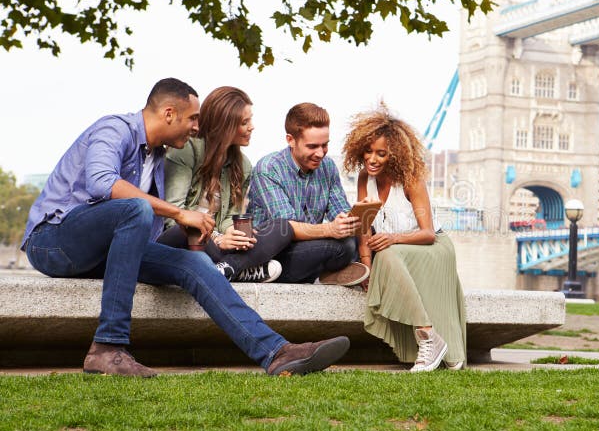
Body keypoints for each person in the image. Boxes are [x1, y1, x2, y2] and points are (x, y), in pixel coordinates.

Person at [22, 78, 350, 377]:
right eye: (193, 119)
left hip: (108, 250)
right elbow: (102, 183)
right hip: (54, 242)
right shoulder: (114, 130)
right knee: (135, 207)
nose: (197, 127)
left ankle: (276, 352)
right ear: (168, 113)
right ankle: (108, 347)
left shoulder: (158, 156)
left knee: (194, 263)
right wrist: (181, 216)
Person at [341, 107, 467, 372]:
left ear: (394, 155)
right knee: (385, 256)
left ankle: (428, 337)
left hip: (434, 248)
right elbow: (365, 226)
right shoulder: (366, 178)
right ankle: (431, 339)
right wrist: (367, 267)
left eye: (381, 153)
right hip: (397, 252)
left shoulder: (411, 180)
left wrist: (392, 238)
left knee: (387, 252)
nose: (372, 159)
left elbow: (428, 233)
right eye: (368, 151)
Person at [158, 86, 292, 282]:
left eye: (250, 120)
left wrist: (236, 235)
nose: (252, 127)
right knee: (187, 232)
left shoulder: (243, 165)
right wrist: (219, 240)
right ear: (225, 125)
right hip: (184, 238)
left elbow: (229, 217)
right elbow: (172, 215)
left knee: (282, 227)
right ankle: (243, 268)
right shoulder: (186, 150)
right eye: (244, 122)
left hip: (217, 245)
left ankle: (229, 268)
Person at [248, 102, 369, 286]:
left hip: (311, 247)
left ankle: (325, 273)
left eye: (325, 145)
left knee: (358, 238)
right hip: (274, 254)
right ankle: (325, 273)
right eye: (312, 146)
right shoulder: (268, 168)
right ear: (290, 140)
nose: (320, 153)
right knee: (340, 247)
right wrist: (330, 229)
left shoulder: (328, 167)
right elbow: (285, 229)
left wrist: (356, 216)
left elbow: (340, 211)